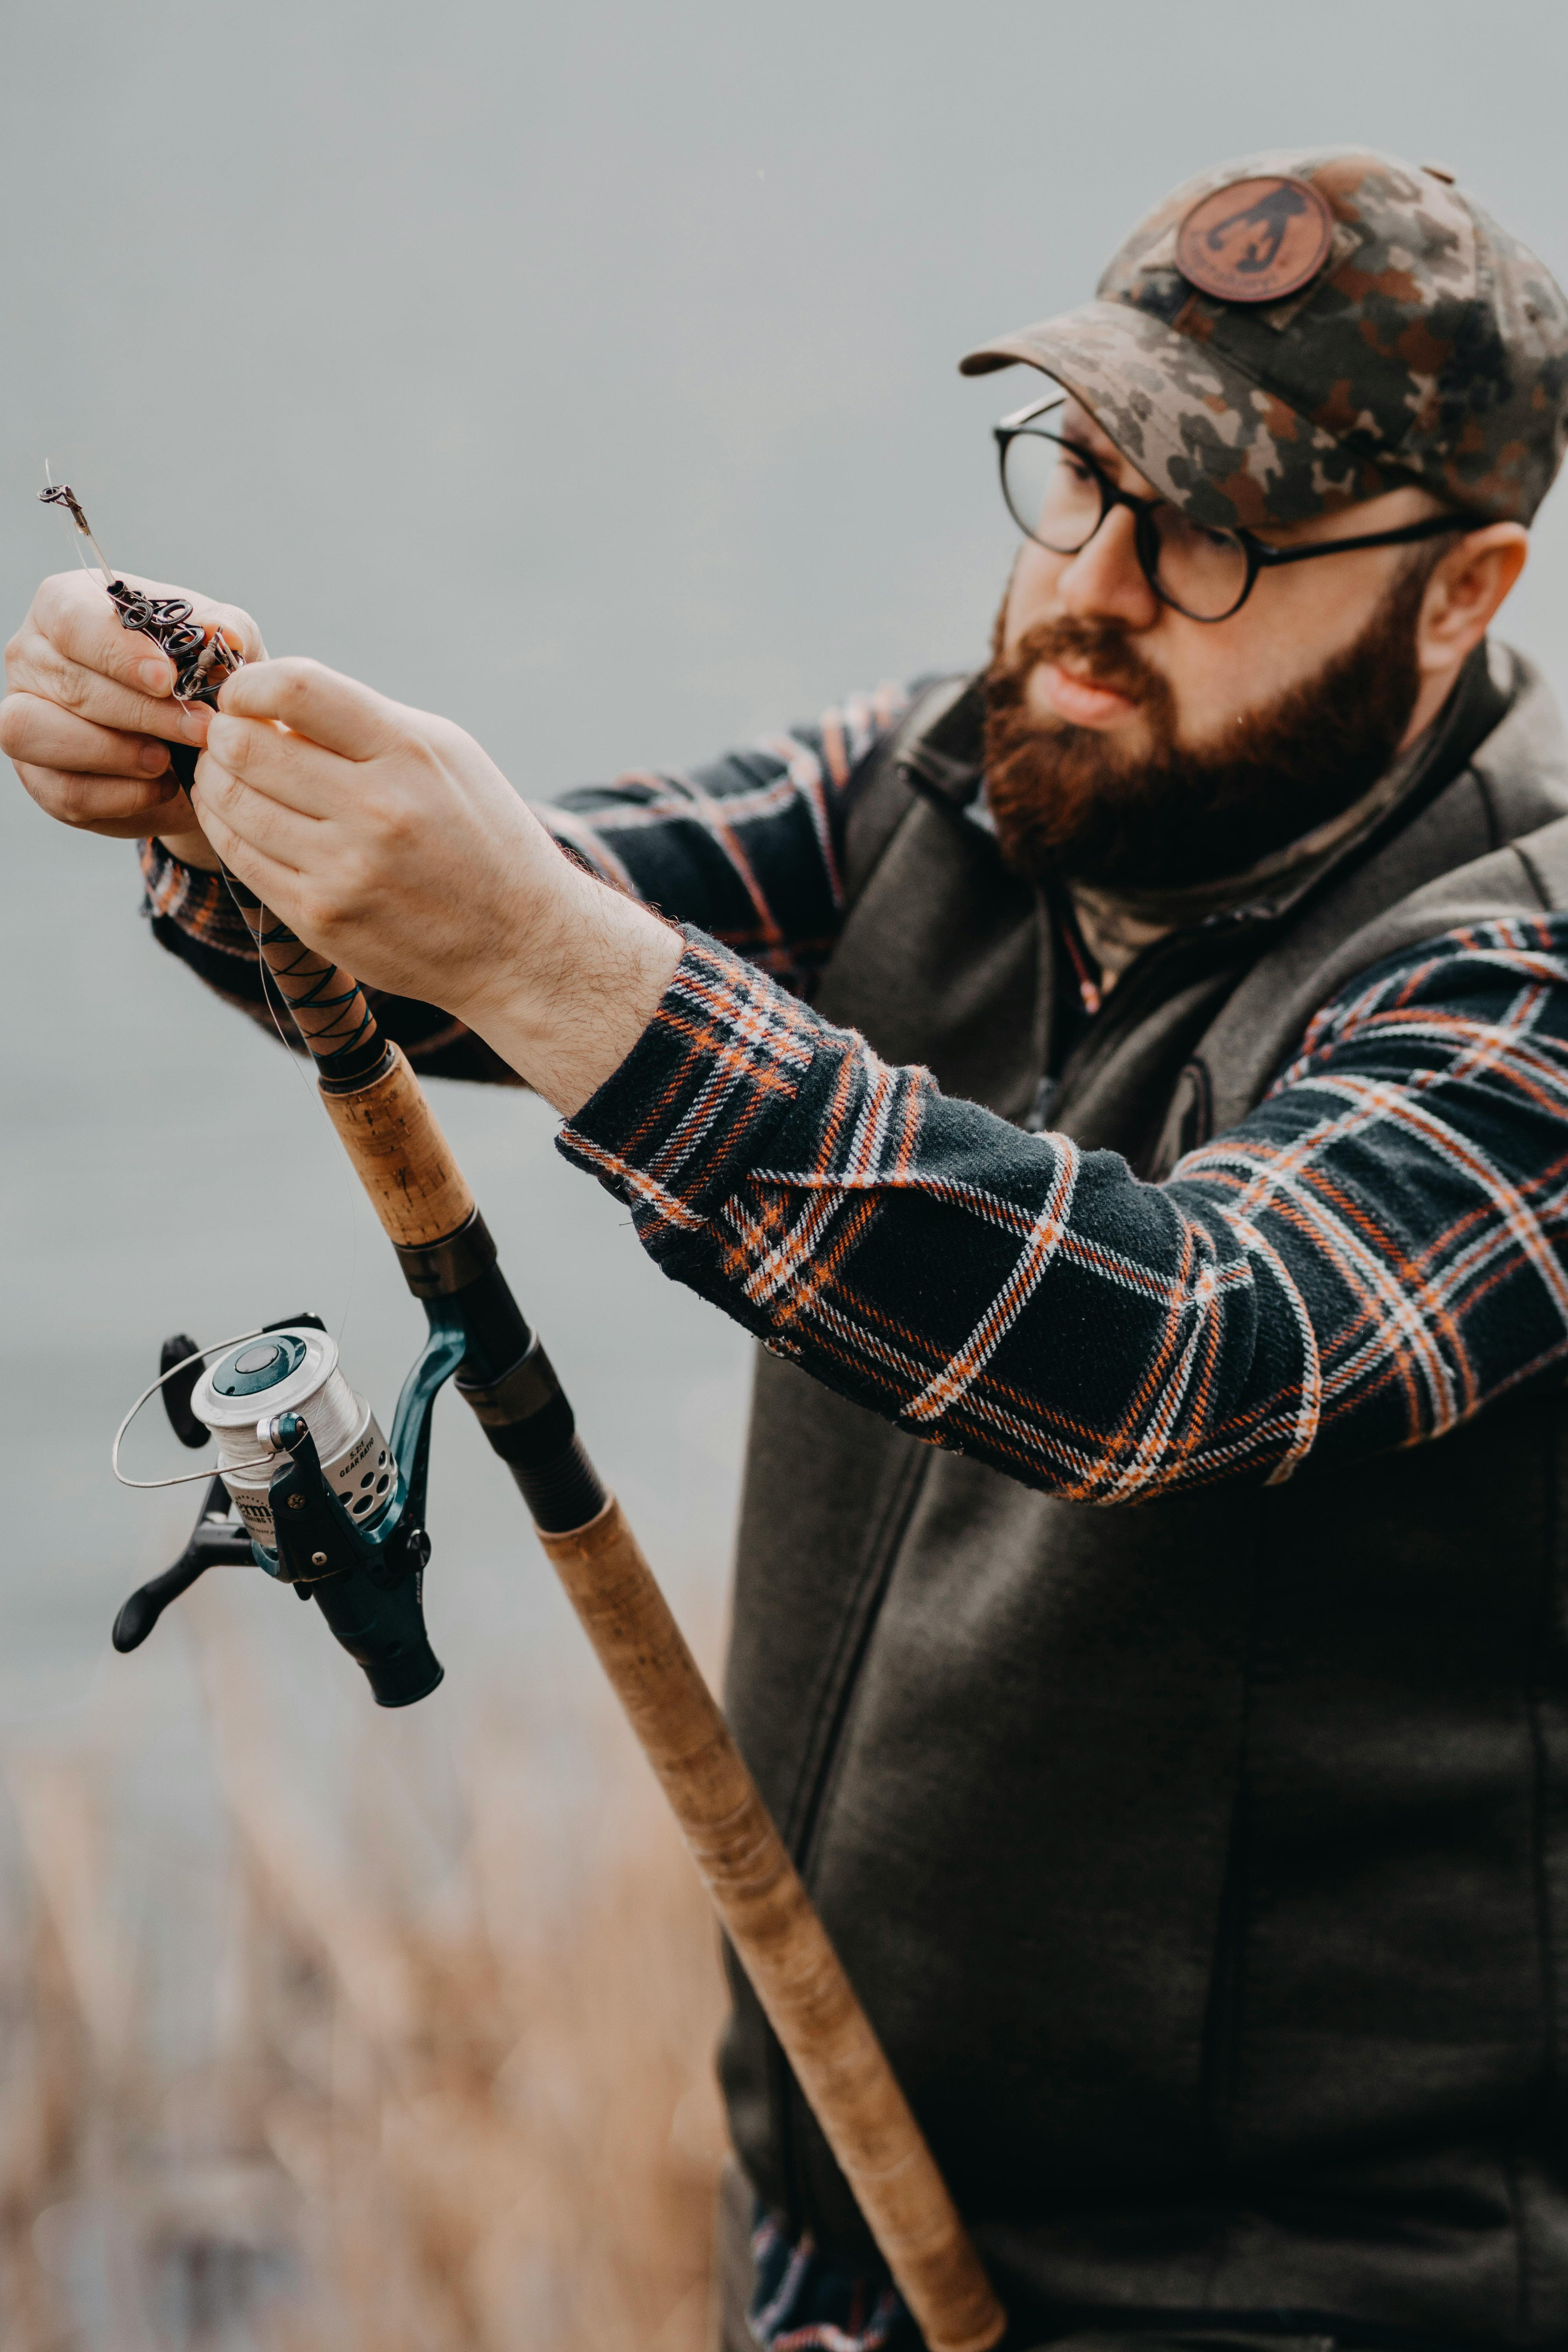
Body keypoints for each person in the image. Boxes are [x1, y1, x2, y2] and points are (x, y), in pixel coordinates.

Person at [8, 145, 1568, 2352]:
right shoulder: (979, 770)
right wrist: (224, 791)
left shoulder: (1525, 981)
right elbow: (477, 932)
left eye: (1211, 528)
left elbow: (1190, 1353)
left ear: (1461, 587)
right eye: (1081, 473)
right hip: (846, 2240)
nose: (1094, 585)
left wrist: (549, 953)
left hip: (1304, 2302)